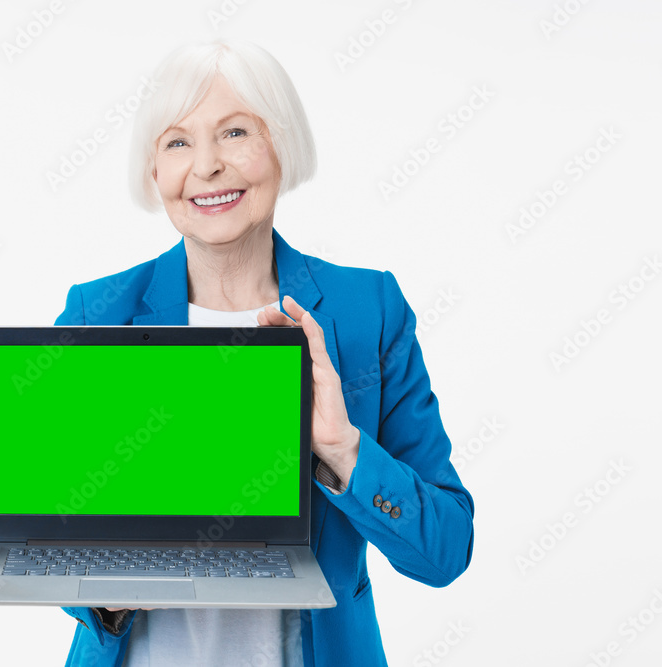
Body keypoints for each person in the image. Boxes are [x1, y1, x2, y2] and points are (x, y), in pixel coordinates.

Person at [53, 40, 474, 667]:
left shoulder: (368, 310)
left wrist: (341, 450)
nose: (207, 166)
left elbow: (444, 549)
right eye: (177, 142)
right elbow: (53, 537)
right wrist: (106, 591)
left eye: (234, 132)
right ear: (153, 173)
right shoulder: (98, 312)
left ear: (283, 145)